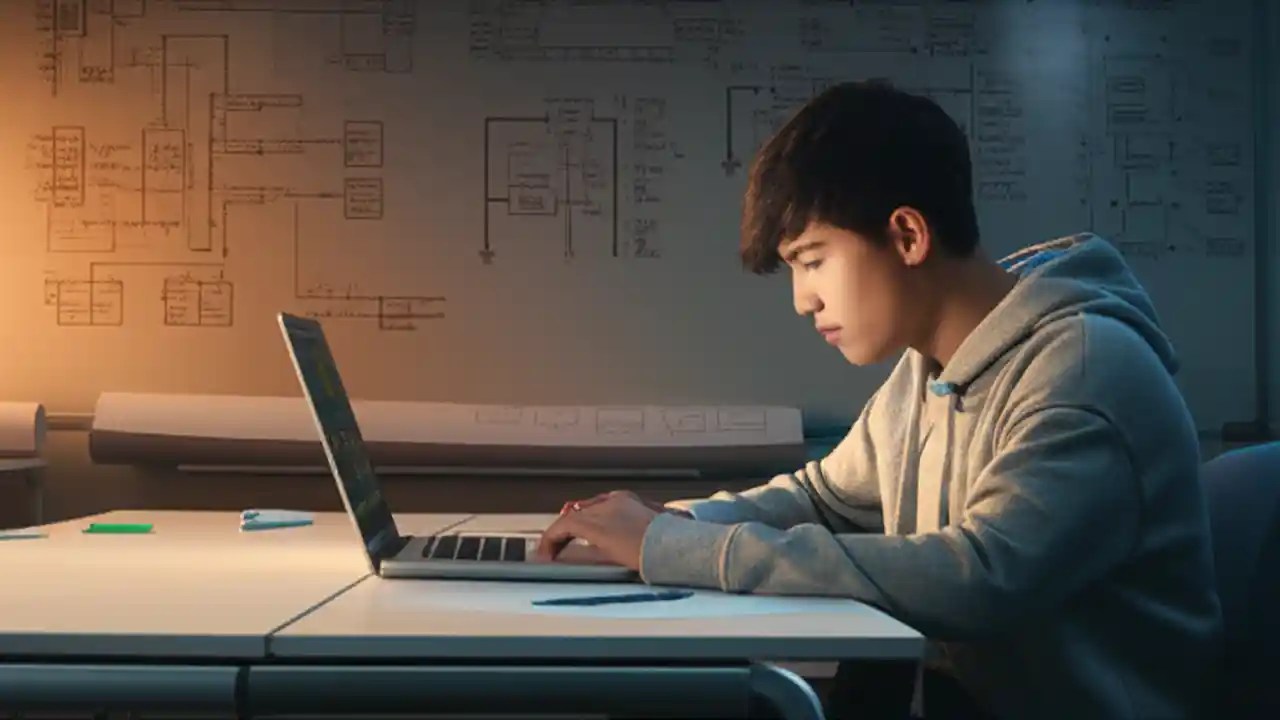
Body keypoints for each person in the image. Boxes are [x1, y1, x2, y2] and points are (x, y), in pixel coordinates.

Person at [535, 80, 1222, 719]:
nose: (804, 300)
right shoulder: (931, 365)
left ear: (907, 235)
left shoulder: (1085, 371)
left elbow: (977, 579)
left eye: (812, 261)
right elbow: (827, 498)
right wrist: (674, 521)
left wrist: (671, 546)